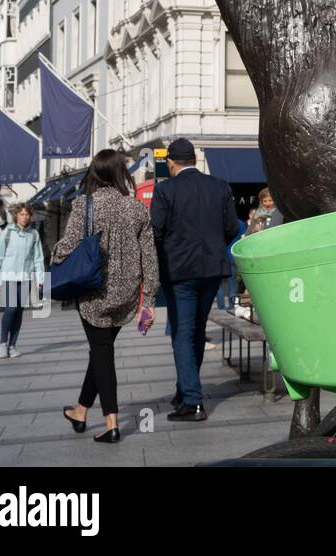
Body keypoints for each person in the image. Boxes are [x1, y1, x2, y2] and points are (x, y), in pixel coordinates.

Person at [52, 150, 159, 444]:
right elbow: (150, 258)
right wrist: (147, 302)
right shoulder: (137, 208)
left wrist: (55, 256)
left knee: (102, 354)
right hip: (126, 294)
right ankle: (80, 410)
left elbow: (68, 245)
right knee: (99, 353)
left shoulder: (84, 205)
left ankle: (111, 423)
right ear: (119, 173)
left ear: (96, 174)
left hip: (94, 292)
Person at [151, 138, 240, 421]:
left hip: (179, 272)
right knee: (196, 331)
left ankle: (192, 401)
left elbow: (156, 231)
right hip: (212, 269)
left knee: (182, 333)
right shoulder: (220, 186)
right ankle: (184, 390)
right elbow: (230, 228)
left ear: (171, 162)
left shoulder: (165, 189)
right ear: (194, 159)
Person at [0, 203, 45, 358]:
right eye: (21, 214)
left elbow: (38, 258)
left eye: (27, 214)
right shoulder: (7, 232)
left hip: (26, 278)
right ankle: (2, 343)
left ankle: (12, 346)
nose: (24, 217)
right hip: (8, 277)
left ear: (30, 216)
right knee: (11, 309)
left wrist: (40, 279)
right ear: (16, 215)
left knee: (19, 312)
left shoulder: (34, 234)